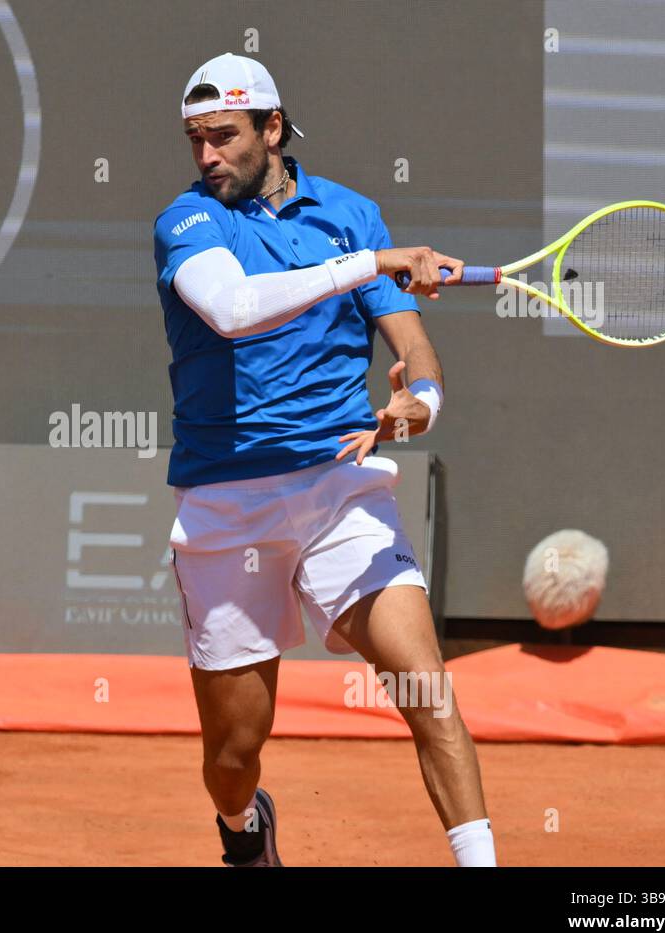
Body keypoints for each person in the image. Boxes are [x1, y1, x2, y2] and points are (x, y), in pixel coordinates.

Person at [152, 52, 495, 867]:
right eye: (195, 140)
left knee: (425, 687)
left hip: (341, 489)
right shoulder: (188, 221)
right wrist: (369, 262)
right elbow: (234, 311)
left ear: (273, 128)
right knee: (234, 756)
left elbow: (414, 347)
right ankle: (244, 833)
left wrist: (423, 406)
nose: (208, 157)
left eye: (225, 137)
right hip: (228, 501)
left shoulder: (353, 213)